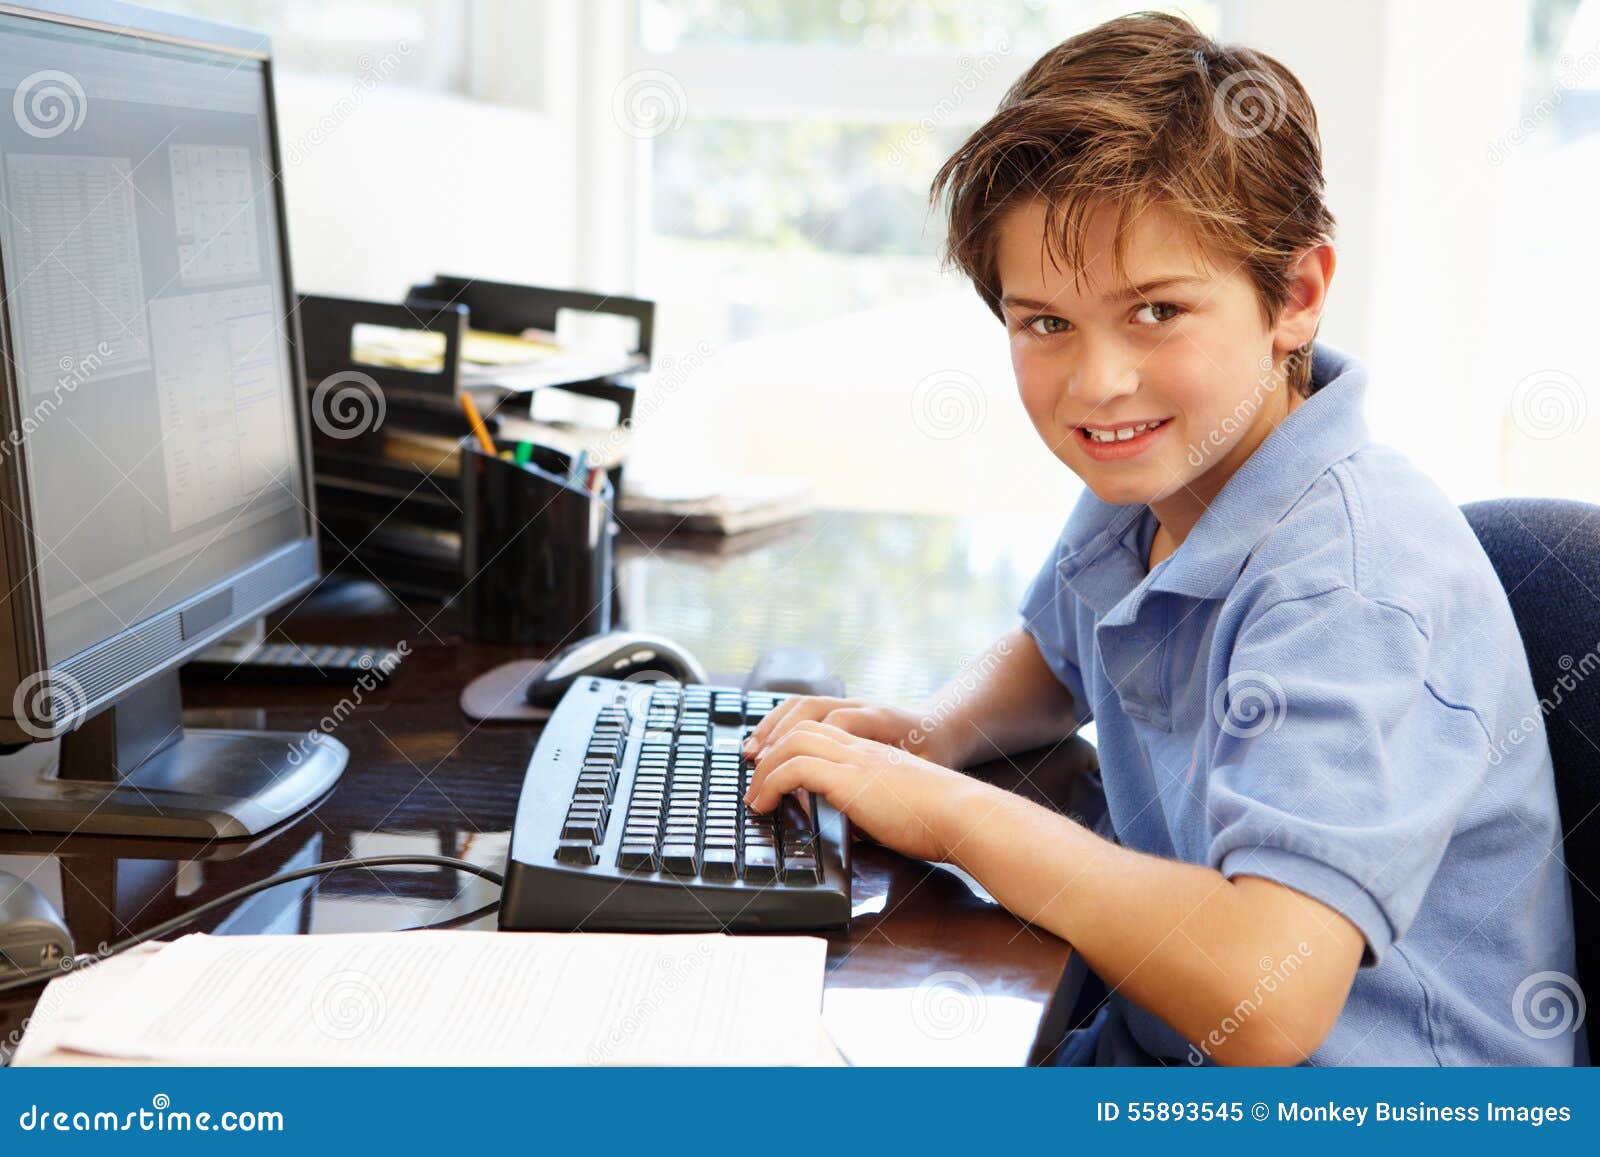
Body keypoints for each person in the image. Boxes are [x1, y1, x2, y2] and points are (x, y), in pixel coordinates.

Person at [742, 12, 1577, 1066]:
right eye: (1045, 322)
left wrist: (944, 810)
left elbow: (1266, 997)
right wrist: (930, 731)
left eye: (1155, 311)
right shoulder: (1160, 470)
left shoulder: (1351, 583)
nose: (1096, 383)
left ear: (1295, 294)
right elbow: (1058, 654)